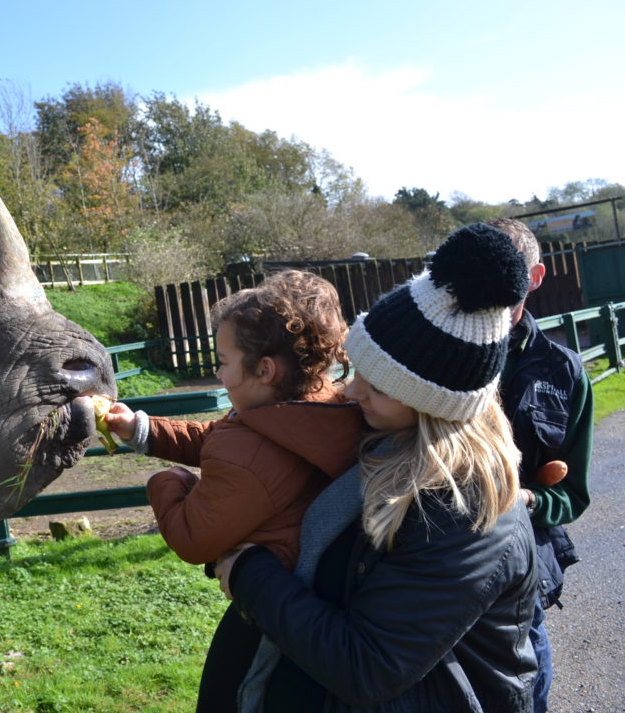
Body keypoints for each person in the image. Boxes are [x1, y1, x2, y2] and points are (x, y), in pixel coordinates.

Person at [214, 223, 539, 712]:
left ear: (434, 404)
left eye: (380, 385)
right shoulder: (381, 447)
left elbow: (369, 666)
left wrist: (249, 573)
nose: (350, 390)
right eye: (357, 366)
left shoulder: (467, 512)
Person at [103, 269, 364, 712]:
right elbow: (222, 437)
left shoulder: (249, 447)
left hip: (267, 625)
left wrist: (167, 481)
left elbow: (192, 538)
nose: (216, 372)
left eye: (223, 361)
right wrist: (140, 429)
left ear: (264, 369)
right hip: (315, 605)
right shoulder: (327, 407)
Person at [485, 217, 594, 713]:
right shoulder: (431, 355)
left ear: (535, 277)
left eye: (505, 269)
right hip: (434, 557)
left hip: (520, 563)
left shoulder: (564, 371)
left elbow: (571, 494)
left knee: (525, 689)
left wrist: (527, 498)